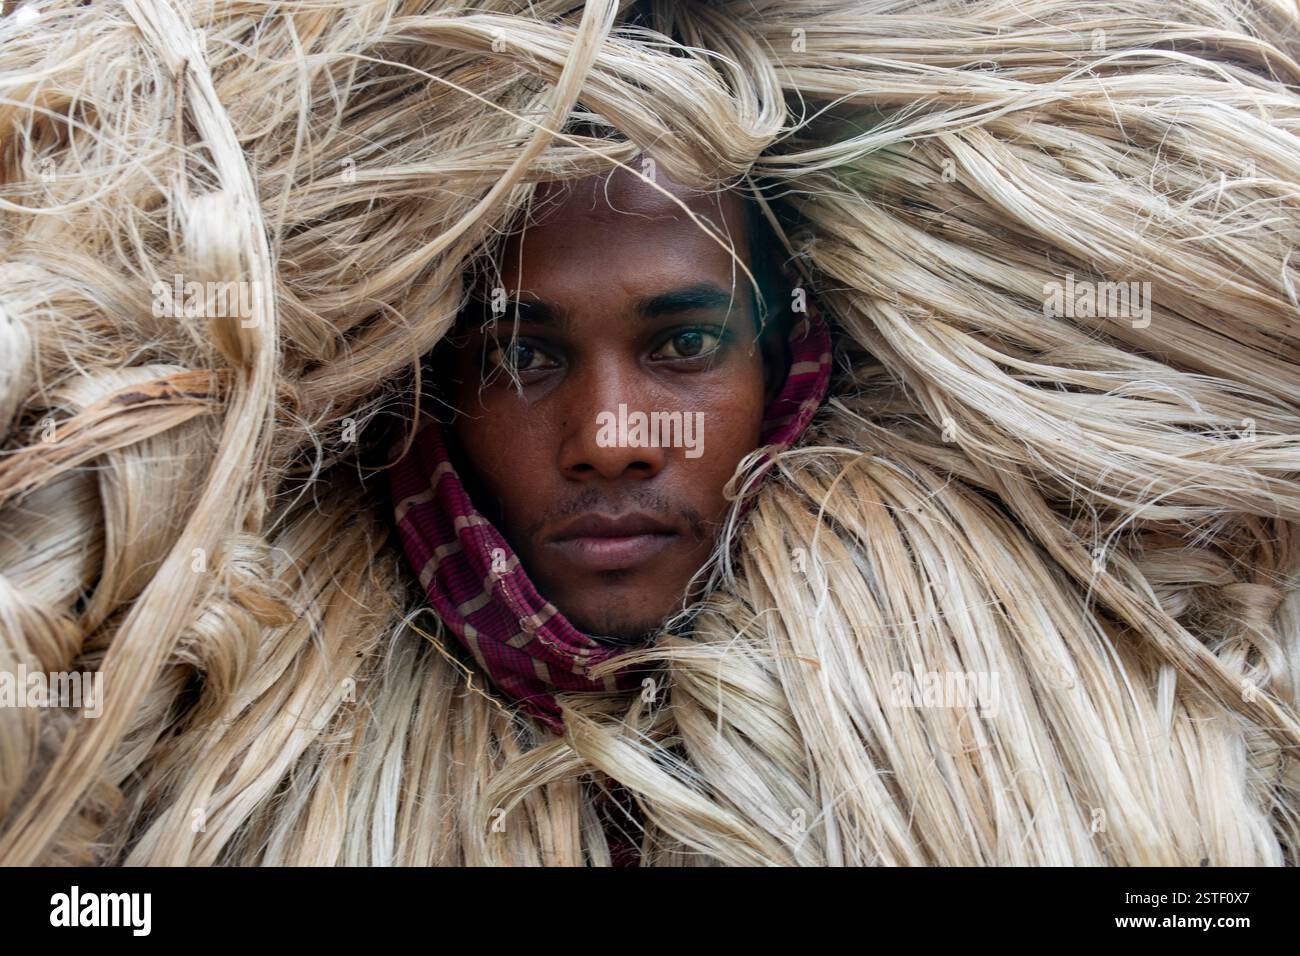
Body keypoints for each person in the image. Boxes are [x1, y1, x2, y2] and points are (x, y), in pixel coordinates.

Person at [3, 0, 1299, 868]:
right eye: (527, 353)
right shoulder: (229, 726)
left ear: (791, 358)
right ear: (432, 384)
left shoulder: (1048, 664)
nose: (611, 437)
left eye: (682, 344)